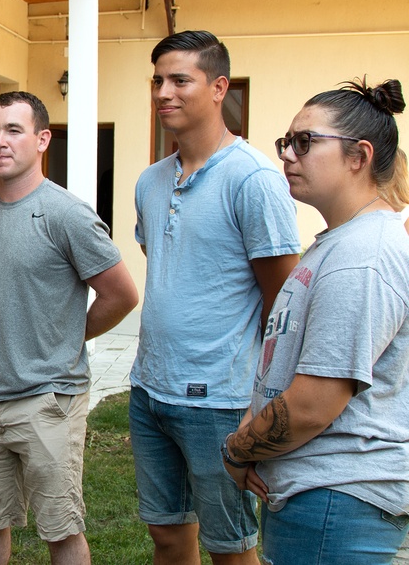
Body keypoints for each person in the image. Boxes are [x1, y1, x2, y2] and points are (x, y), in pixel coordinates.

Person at [131, 30, 300, 565]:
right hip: (148, 389)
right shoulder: (150, 181)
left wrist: (265, 400)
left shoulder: (253, 180)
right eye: (158, 80)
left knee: (231, 547)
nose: (163, 92)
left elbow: (283, 302)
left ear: (219, 87)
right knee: (167, 536)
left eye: (180, 79)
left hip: (218, 400)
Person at [224, 78, 409, 564]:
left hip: (337, 503)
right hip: (319, 500)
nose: (288, 154)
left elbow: (314, 402)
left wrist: (237, 450)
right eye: (287, 142)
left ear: (358, 156)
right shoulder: (342, 242)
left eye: (305, 142)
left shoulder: (362, 255)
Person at [0, 91, 139, 565]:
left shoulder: (66, 214)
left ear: (41, 139)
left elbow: (121, 295)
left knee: (61, 531)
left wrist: (66, 335)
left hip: (48, 400)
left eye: (13, 130)